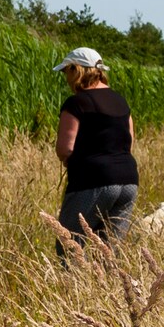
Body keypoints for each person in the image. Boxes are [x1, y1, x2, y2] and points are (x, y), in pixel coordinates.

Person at [53, 46, 138, 251]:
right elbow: (129, 142)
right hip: (128, 181)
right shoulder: (120, 101)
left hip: (93, 181)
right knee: (109, 251)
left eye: (66, 71)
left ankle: (72, 275)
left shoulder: (76, 103)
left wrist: (76, 162)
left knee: (69, 245)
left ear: (76, 70)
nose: (66, 78)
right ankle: (110, 274)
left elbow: (64, 149)